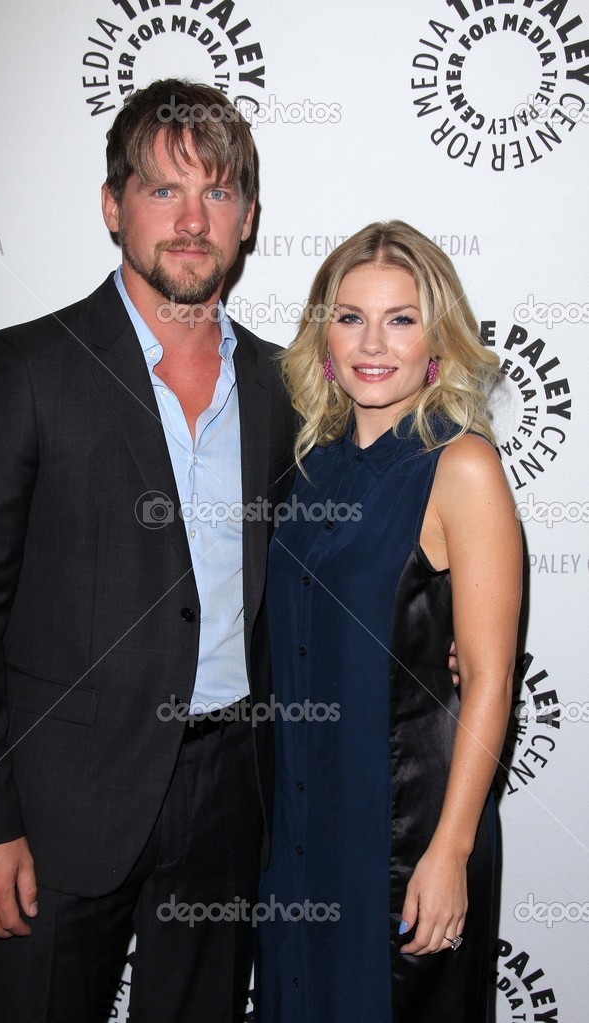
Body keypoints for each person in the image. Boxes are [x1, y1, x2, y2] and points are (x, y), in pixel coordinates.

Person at [0, 79, 299, 1023]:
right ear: (112, 206)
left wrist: (434, 631)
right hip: (56, 806)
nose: (192, 220)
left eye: (216, 192)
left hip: (230, 796)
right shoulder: (26, 368)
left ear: (248, 218)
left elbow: (325, 562)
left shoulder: (284, 386)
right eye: (163, 189)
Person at [257, 221, 521, 1022]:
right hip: (302, 822)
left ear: (435, 340)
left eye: (401, 319)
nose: (373, 343)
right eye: (351, 317)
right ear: (324, 336)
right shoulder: (308, 465)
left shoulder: (462, 466)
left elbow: (488, 679)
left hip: (405, 829)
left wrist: (450, 851)